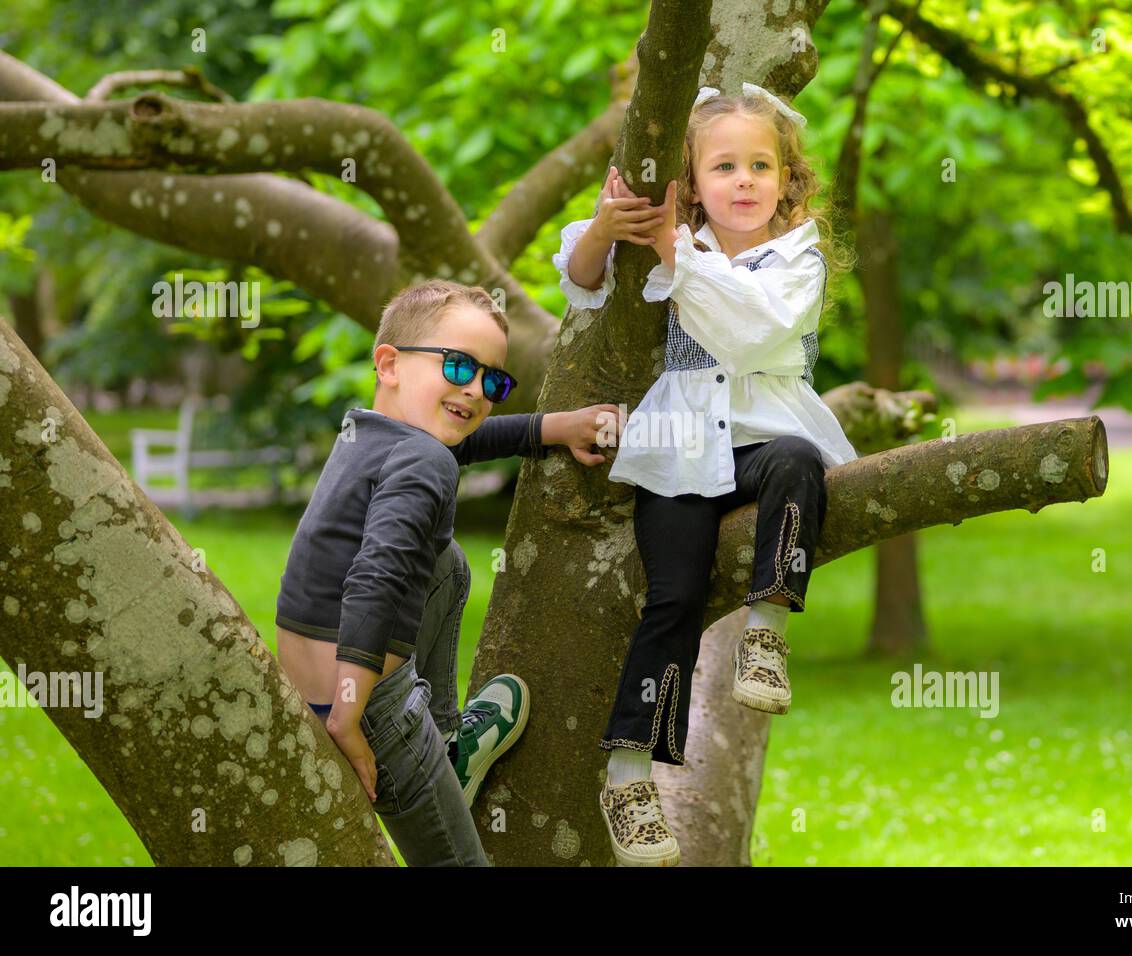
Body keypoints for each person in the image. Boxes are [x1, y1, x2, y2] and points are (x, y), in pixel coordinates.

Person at [553, 83, 857, 865]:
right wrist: (605, 226)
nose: (746, 180)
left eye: (762, 165)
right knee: (673, 599)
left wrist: (670, 250)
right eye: (725, 166)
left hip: (765, 434)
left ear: (788, 179)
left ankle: (767, 628)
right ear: (693, 182)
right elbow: (584, 281)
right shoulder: (675, 241)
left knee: (797, 461)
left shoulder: (798, 256)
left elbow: (754, 332)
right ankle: (628, 775)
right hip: (682, 443)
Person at [275, 279, 620, 865]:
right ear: (390, 363)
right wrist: (350, 716)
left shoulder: (367, 432)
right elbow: (376, 577)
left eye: (492, 380)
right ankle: (435, 739)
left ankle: (446, 737)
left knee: (447, 564)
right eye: (458, 366)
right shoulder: (425, 457)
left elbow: (460, 442)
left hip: (311, 681)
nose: (476, 390)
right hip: (370, 708)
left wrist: (554, 427)